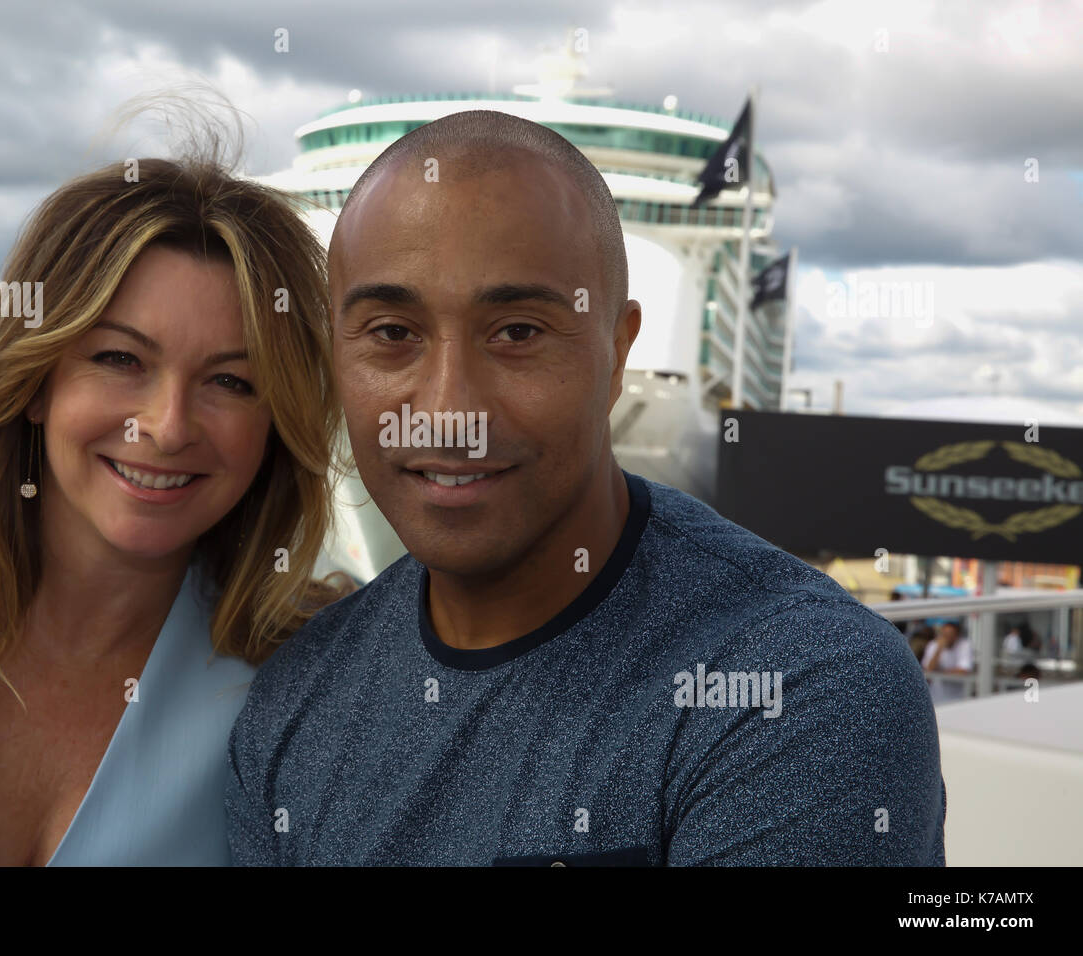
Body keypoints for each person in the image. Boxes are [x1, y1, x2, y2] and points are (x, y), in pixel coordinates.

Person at [225, 109, 946, 865]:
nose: (447, 412)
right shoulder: (294, 700)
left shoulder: (800, 685)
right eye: (392, 334)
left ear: (617, 351)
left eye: (518, 333)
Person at [0, 148, 346, 865]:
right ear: (37, 380)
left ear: (275, 425)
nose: (169, 426)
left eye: (232, 381)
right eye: (120, 360)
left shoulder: (303, 693)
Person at [921, 621, 974, 706]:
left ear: (957, 635)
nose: (947, 637)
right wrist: (938, 650)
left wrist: (940, 672)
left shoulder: (965, 645)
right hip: (936, 698)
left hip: (958, 698)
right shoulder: (933, 645)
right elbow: (929, 669)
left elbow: (964, 671)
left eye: (950, 634)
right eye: (944, 634)